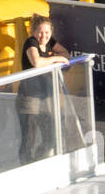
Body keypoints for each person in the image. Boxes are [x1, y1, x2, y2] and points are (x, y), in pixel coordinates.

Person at [17, 15, 70, 164]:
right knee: (29, 137)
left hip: (45, 96)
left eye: (47, 32)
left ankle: (39, 159)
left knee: (50, 135)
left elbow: (66, 54)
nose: (44, 36)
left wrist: (57, 56)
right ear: (33, 31)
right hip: (29, 97)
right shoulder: (31, 42)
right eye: (40, 32)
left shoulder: (50, 42)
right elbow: (37, 62)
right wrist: (54, 58)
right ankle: (26, 164)